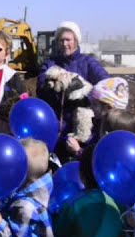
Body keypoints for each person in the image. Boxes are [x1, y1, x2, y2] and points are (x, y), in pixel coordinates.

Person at [38, 21, 109, 158]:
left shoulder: (88, 62)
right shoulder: (50, 63)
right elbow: (41, 88)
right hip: (58, 125)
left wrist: (84, 95)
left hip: (85, 127)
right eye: (61, 40)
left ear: (76, 40)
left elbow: (106, 85)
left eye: (68, 40)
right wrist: (56, 90)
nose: (65, 44)